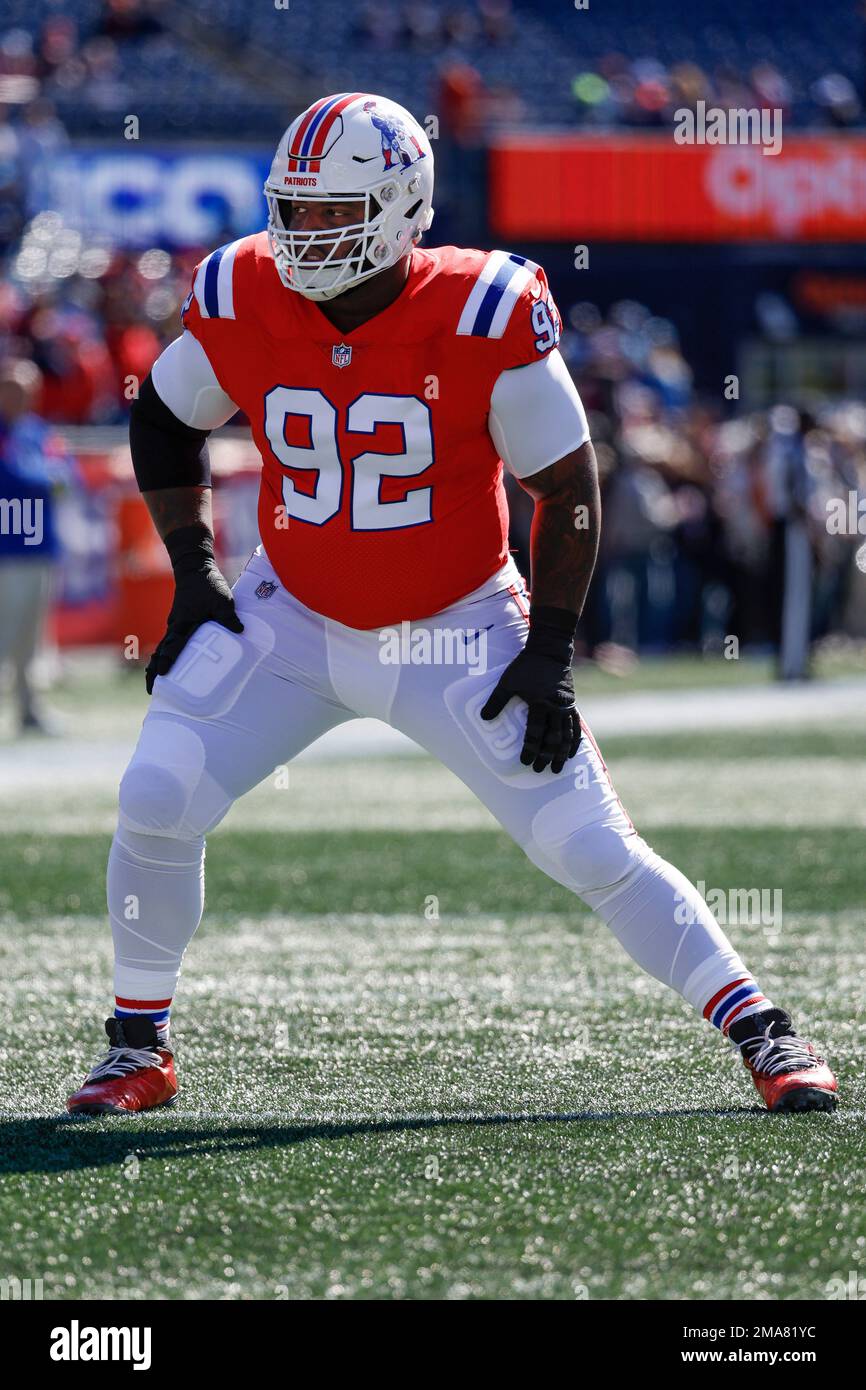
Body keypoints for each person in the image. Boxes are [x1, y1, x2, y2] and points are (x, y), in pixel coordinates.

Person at [67, 94, 837, 1116]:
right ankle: (137, 1045)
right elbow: (164, 419)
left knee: (584, 842)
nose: (299, 235)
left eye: (329, 210)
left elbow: (563, 489)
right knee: (157, 789)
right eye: (289, 209)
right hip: (291, 616)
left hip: (457, 622)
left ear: (398, 207)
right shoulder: (242, 287)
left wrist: (549, 649)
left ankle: (762, 1028)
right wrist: (195, 572)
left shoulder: (480, 310)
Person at [0, 357, 69, 732]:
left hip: (39, 546)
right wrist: (45, 478)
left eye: (25, 389)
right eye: (11, 387)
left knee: (31, 639)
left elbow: (67, 475)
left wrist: (42, 478)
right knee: (4, 633)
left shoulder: (39, 432)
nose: (18, 396)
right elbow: (13, 478)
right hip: (5, 549)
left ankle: (29, 710)